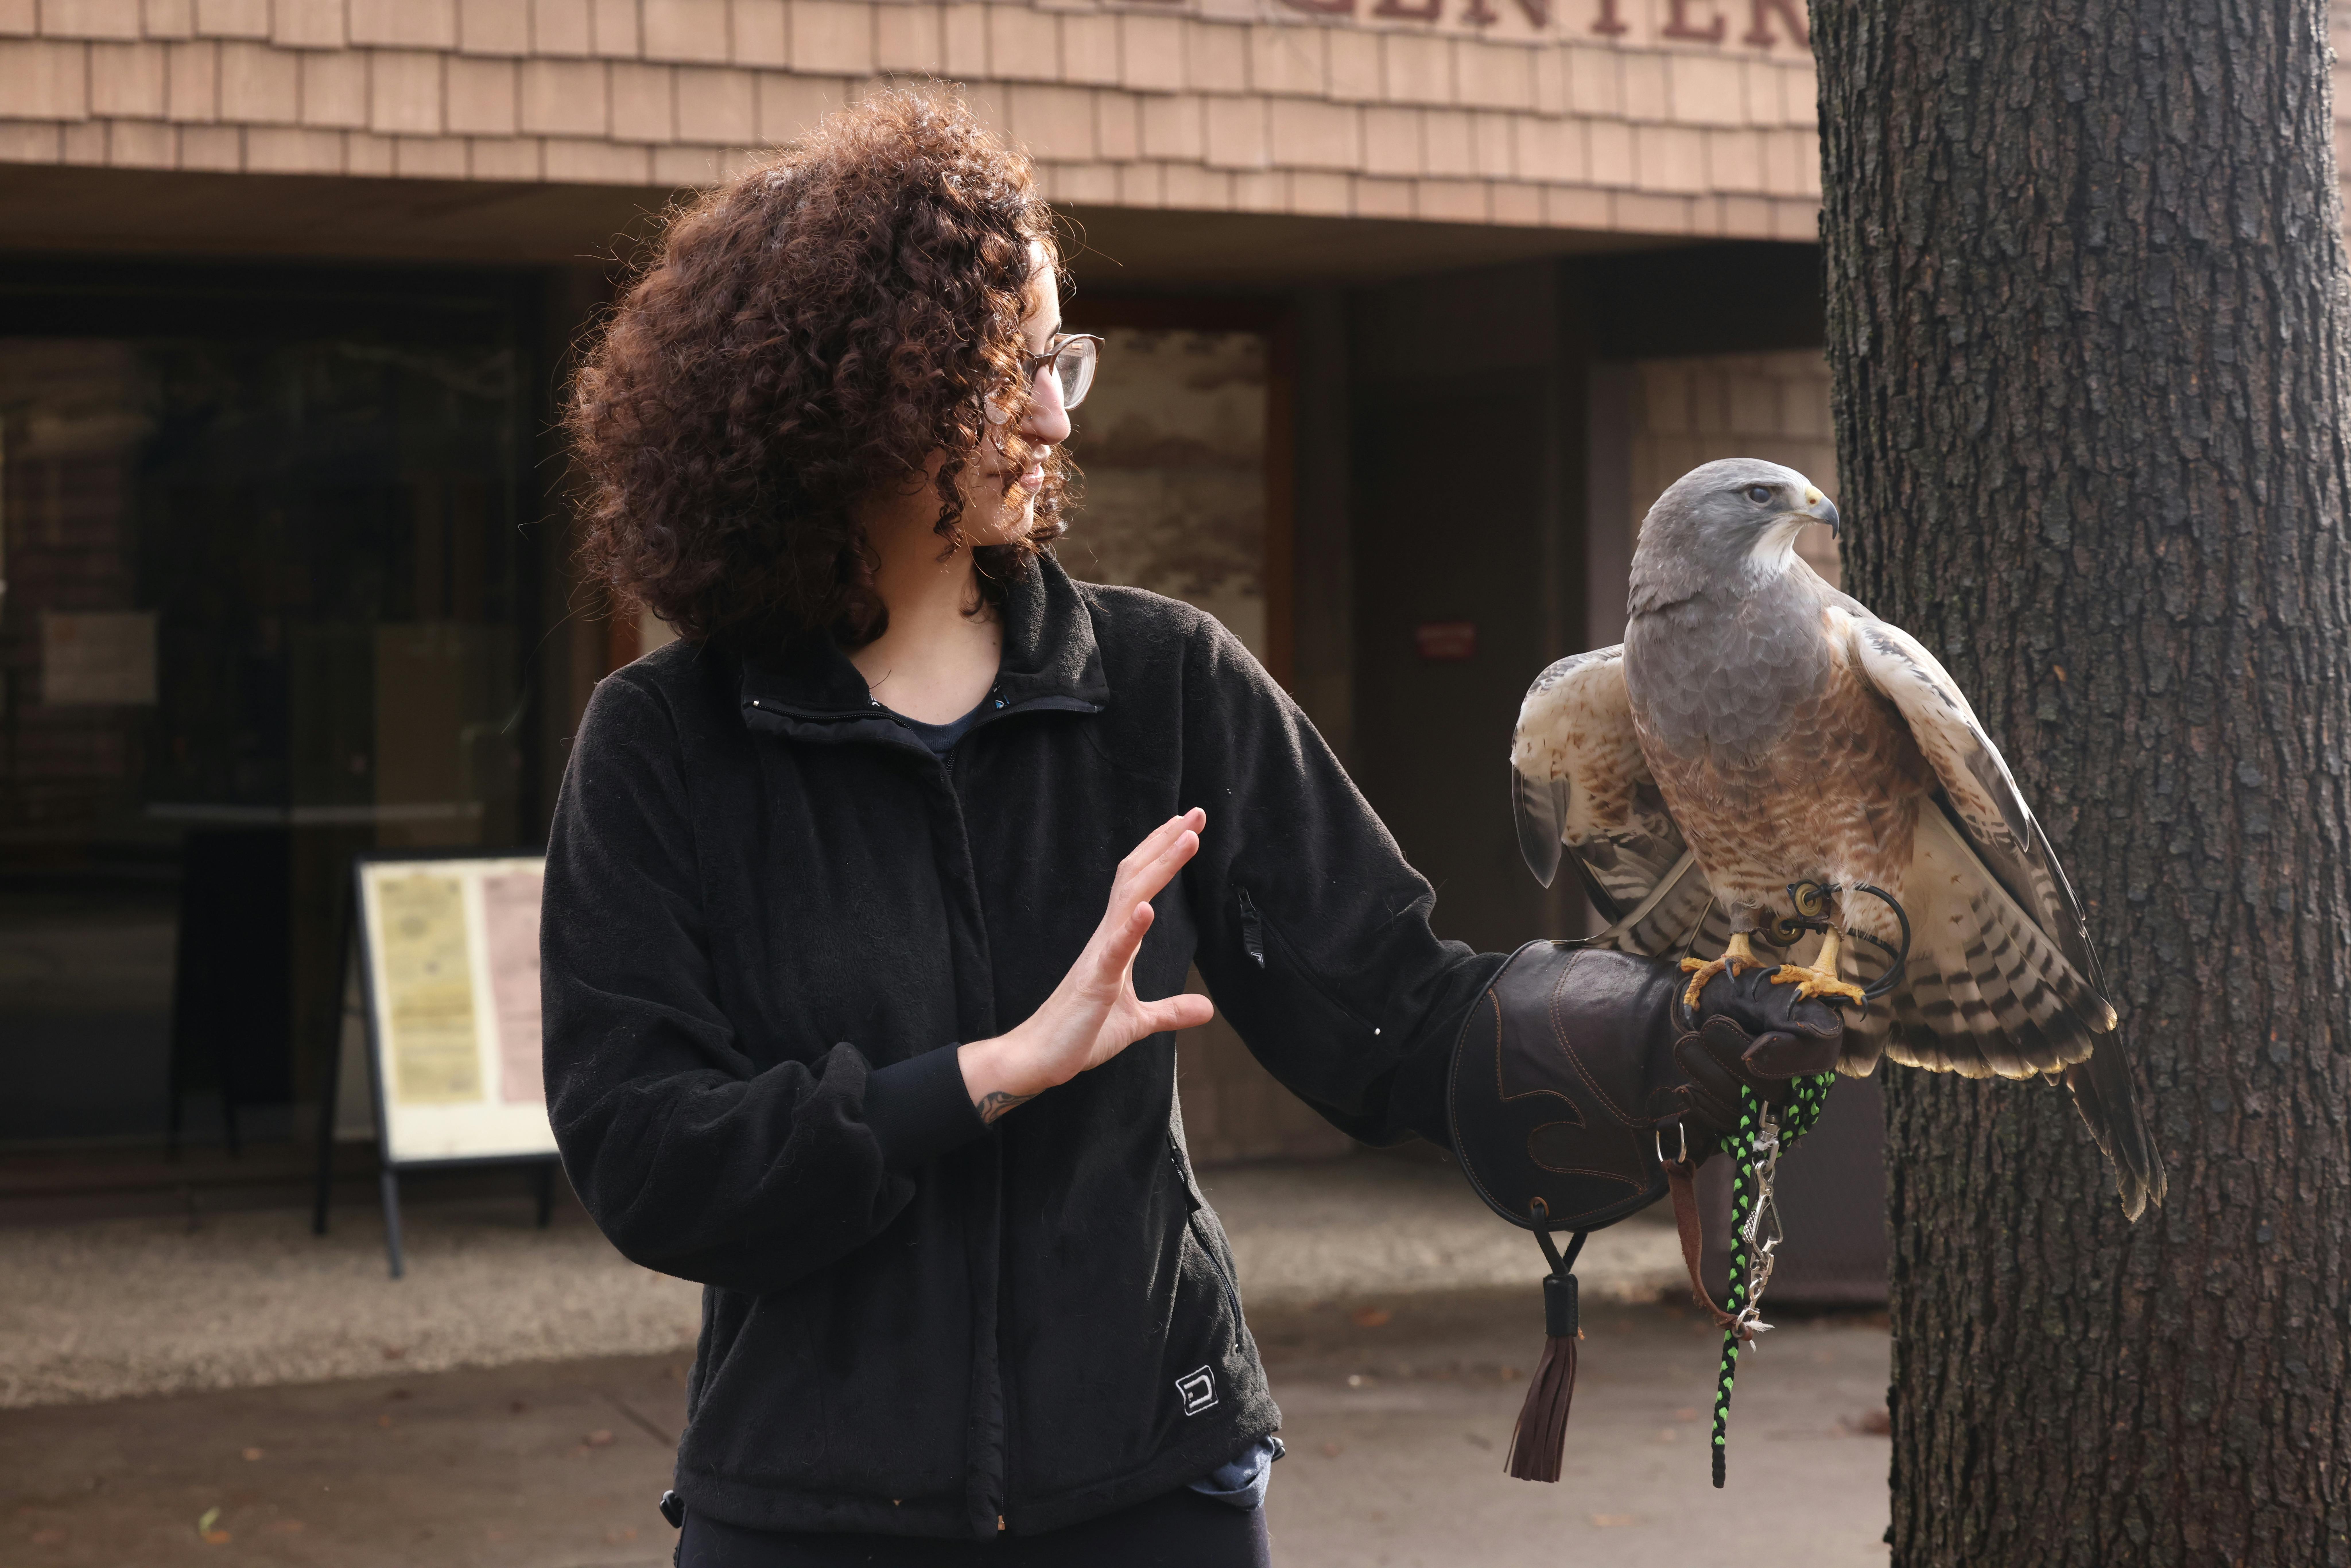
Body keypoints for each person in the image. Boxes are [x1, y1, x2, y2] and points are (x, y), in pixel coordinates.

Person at [544, 88, 1814, 1568]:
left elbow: (1391, 1006)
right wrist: (984, 1078)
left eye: (1056, 358)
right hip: (807, 1510)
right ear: (852, 402)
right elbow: (647, 1155)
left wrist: (1660, 1034)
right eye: (995, 370)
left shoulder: (1164, 685)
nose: (1049, 411)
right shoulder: (669, 743)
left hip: (1154, 1486)